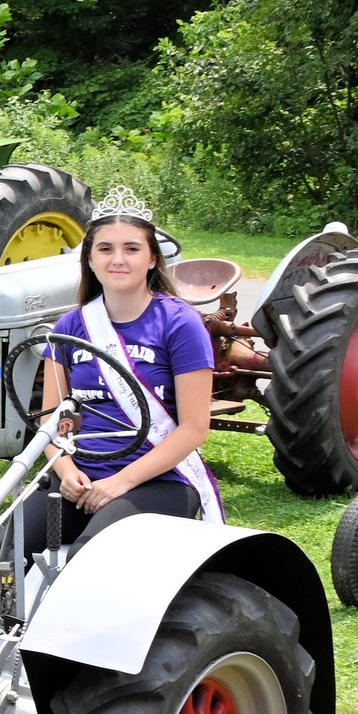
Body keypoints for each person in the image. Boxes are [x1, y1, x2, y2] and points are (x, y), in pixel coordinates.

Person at [21, 204, 222, 557]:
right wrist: (66, 471)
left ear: (152, 260)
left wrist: (120, 482)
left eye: (131, 249)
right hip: (78, 478)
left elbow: (194, 429)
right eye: (105, 249)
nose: (118, 259)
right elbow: (52, 421)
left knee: (89, 558)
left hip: (159, 481)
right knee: (2, 551)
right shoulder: (70, 327)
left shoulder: (180, 324)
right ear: (90, 260)